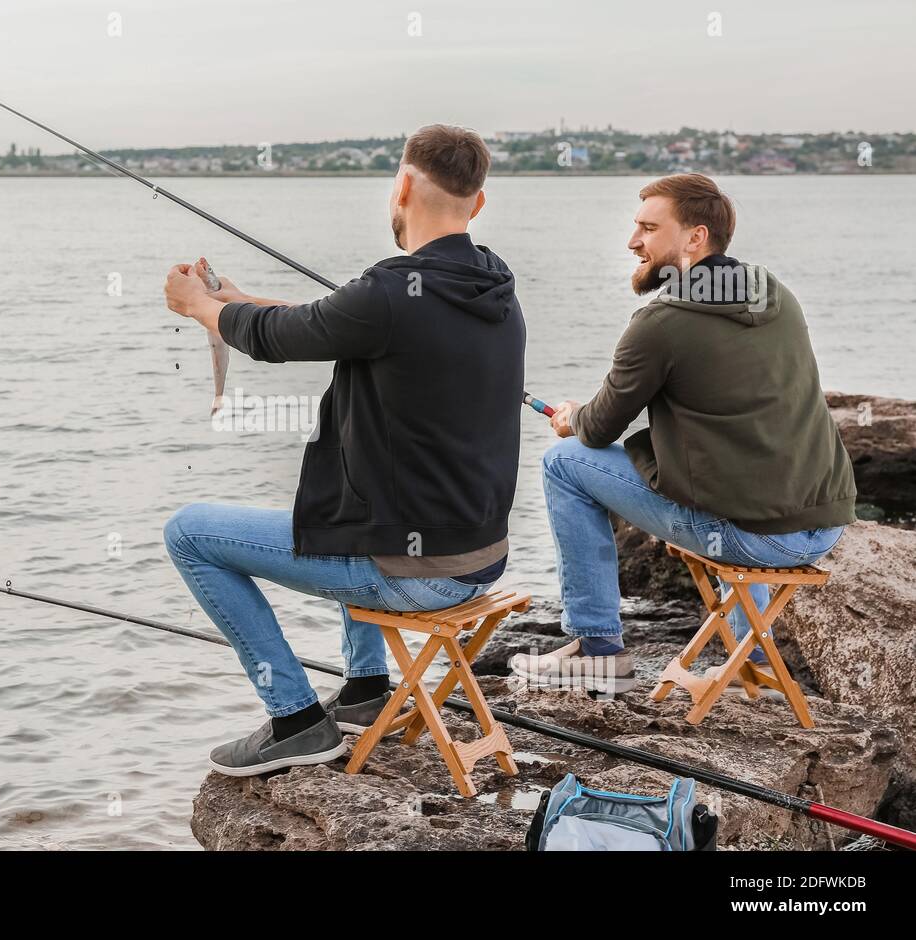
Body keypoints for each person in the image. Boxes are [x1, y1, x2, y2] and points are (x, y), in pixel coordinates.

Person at [161, 124, 526, 776]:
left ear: (404, 186)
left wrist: (199, 307)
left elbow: (284, 338)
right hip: (483, 555)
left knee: (189, 533)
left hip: (417, 574)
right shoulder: (492, 284)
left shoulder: (392, 293)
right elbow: (328, 322)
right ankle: (364, 687)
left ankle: (296, 718)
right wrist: (238, 301)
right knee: (346, 496)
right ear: (477, 204)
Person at [510, 173, 855, 696]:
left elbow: (599, 428)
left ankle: (598, 650)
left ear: (696, 237)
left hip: (753, 538)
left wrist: (572, 418)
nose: (633, 242)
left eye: (648, 229)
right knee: (735, 481)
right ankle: (750, 662)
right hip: (824, 524)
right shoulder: (774, 294)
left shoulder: (659, 325)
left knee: (564, 463)